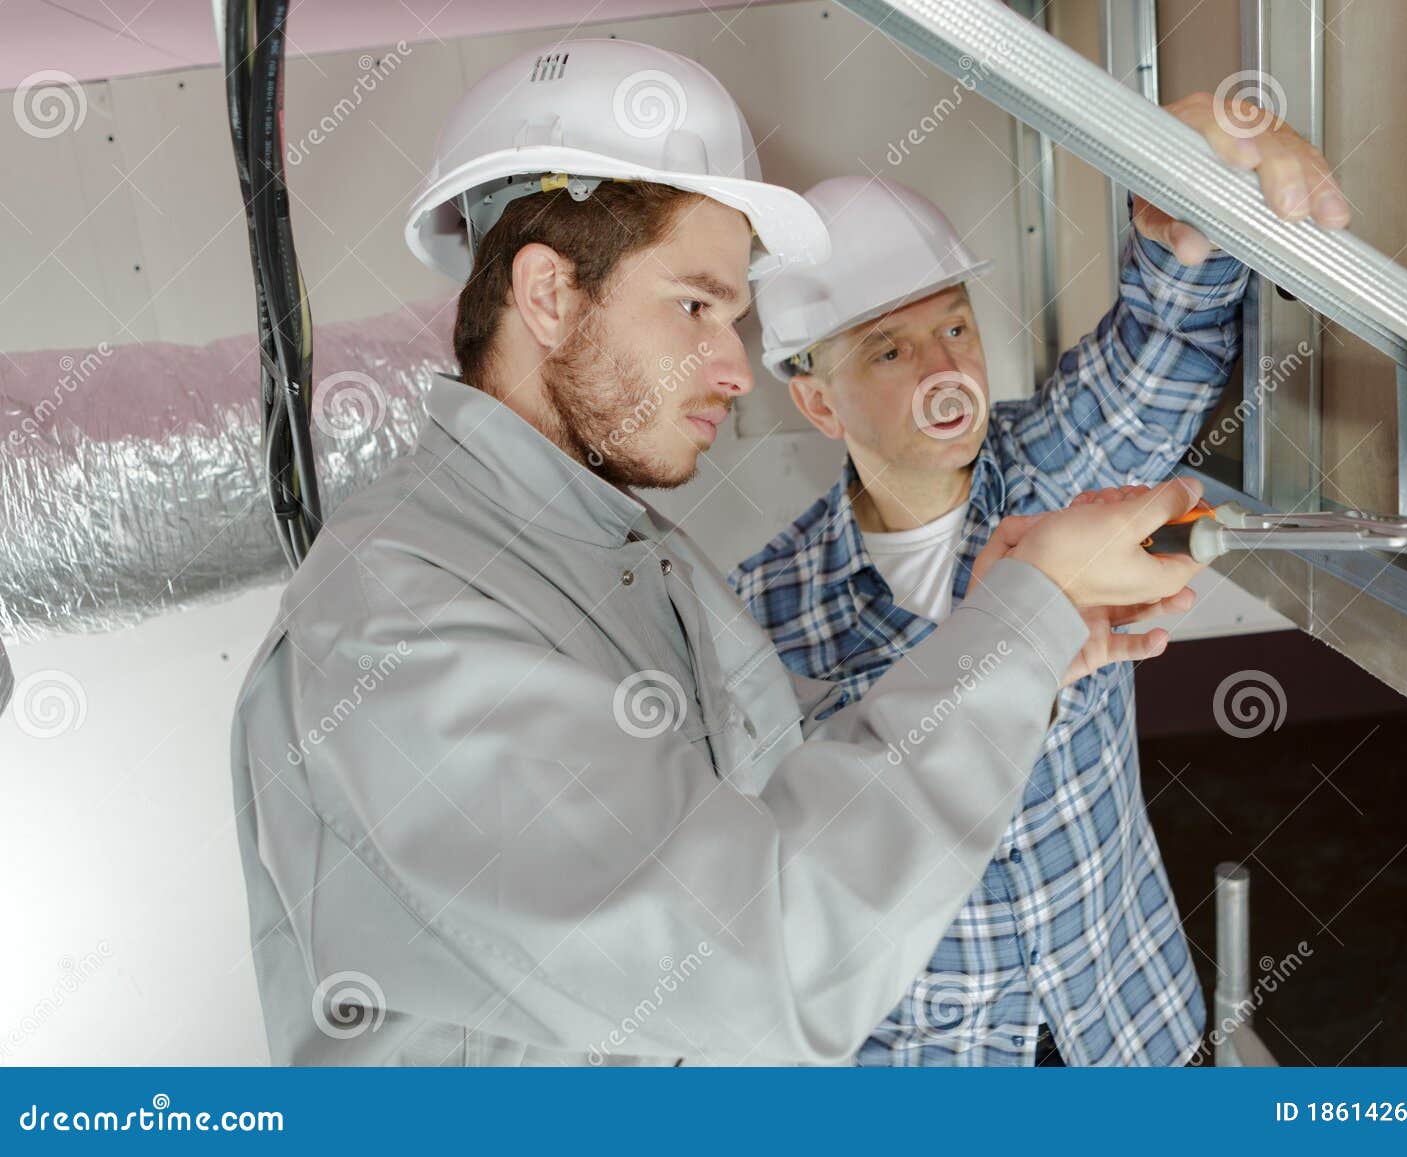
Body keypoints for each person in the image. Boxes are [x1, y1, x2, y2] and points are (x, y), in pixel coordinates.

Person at [228, 37, 1208, 1066]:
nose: (734, 370)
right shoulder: (397, 610)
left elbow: (782, 809)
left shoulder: (638, 562)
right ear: (549, 295)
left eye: (734, 318)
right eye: (695, 305)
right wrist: (1023, 621)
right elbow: (756, 958)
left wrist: (1024, 654)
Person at [731, 108, 1349, 1065]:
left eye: (954, 324)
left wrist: (1190, 217)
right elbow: (786, 884)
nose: (947, 368)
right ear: (817, 399)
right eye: (889, 350)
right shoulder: (764, 617)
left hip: (1131, 1025)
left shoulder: (1053, 472)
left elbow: (1165, 346)